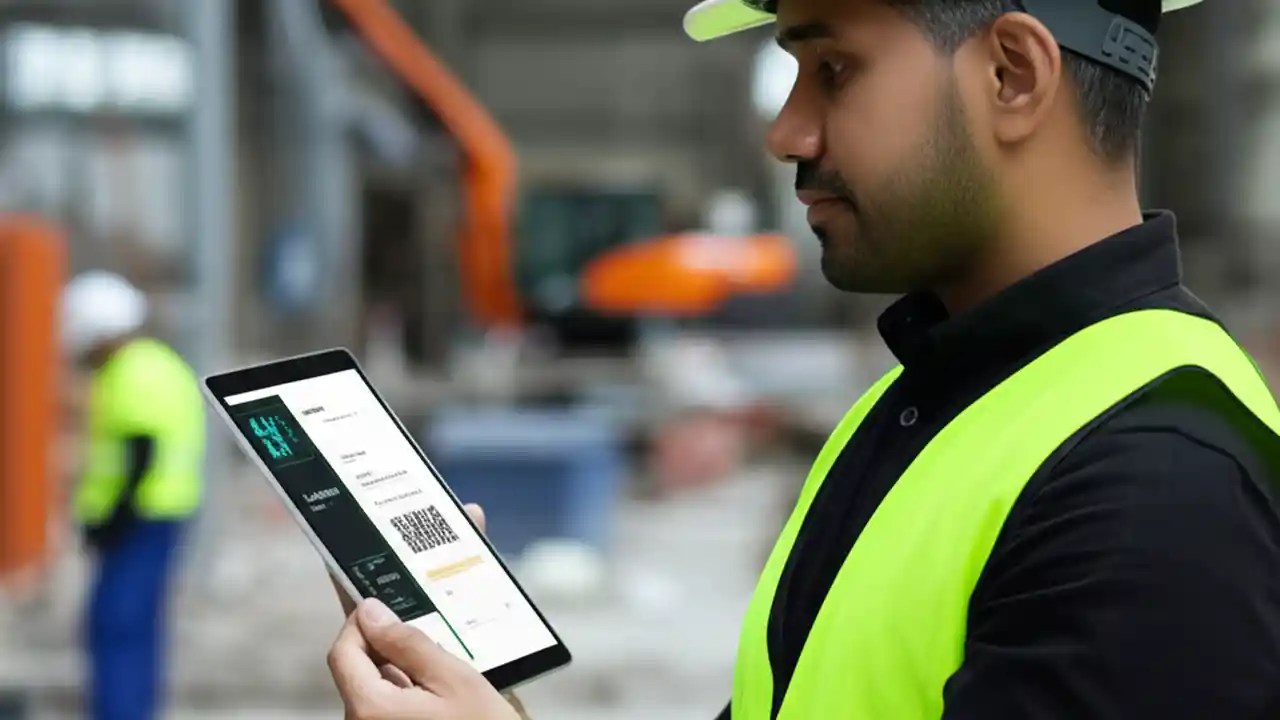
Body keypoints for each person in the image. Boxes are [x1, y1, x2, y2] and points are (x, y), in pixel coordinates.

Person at [326, 0, 1280, 717]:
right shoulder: (922, 408)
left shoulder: (1155, 485)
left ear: (1012, 77)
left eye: (833, 68)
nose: (788, 132)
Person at [62, 271, 205, 720]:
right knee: (139, 627)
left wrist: (109, 522)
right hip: (160, 515)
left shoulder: (132, 371)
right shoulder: (159, 362)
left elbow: (140, 451)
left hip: (140, 520)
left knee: (116, 627)